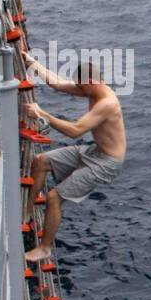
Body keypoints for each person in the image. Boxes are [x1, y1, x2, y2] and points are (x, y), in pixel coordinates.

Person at [21, 52, 127, 262]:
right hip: (95, 151)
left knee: (53, 197)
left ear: (90, 82)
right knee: (42, 161)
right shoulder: (92, 89)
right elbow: (57, 83)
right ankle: (26, 213)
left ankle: (44, 248)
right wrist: (32, 63)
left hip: (107, 163)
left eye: (80, 87)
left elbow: (75, 131)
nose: (78, 91)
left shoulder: (107, 103)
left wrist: (43, 115)